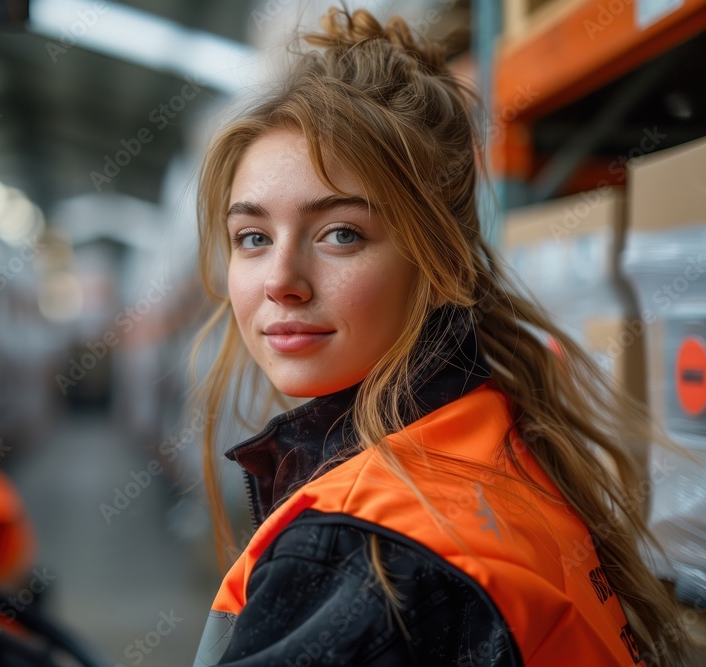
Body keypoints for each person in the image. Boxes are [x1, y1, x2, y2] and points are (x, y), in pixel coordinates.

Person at [188, 6, 695, 666]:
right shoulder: (492, 440)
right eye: (252, 237)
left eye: (342, 233)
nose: (282, 279)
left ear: (445, 267)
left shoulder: (363, 552)